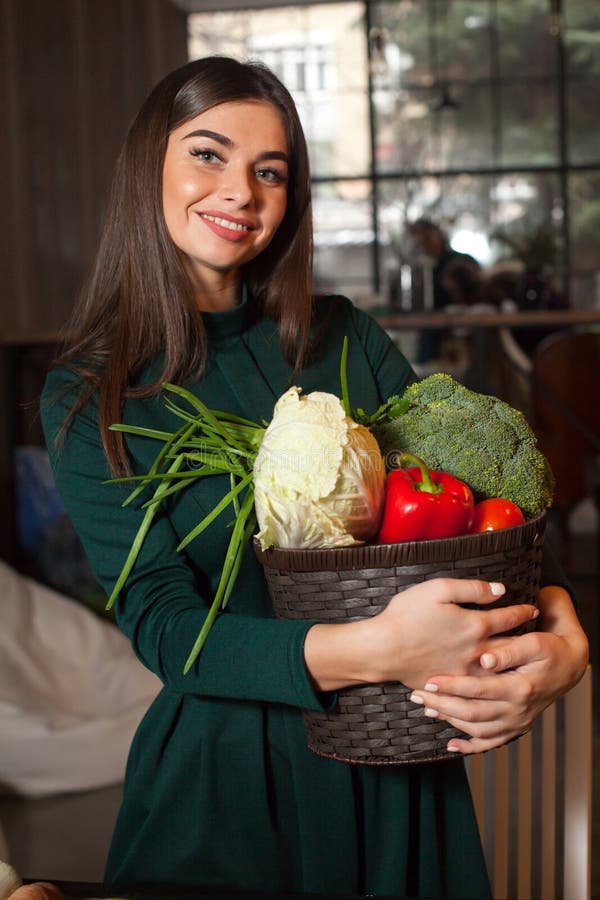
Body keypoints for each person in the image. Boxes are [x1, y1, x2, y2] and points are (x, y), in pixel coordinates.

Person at [40, 56, 588, 899]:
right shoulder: (92, 393)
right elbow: (164, 626)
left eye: (271, 172)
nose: (241, 192)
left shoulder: (343, 338)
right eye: (208, 154)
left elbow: (483, 513)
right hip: (227, 789)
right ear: (149, 162)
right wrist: (380, 648)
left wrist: (563, 638)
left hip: (401, 772)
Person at [406, 218, 483, 363]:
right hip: (432, 330)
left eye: (427, 237)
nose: (424, 243)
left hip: (462, 328)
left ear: (439, 235)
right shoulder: (419, 271)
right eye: (418, 240)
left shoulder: (462, 261)